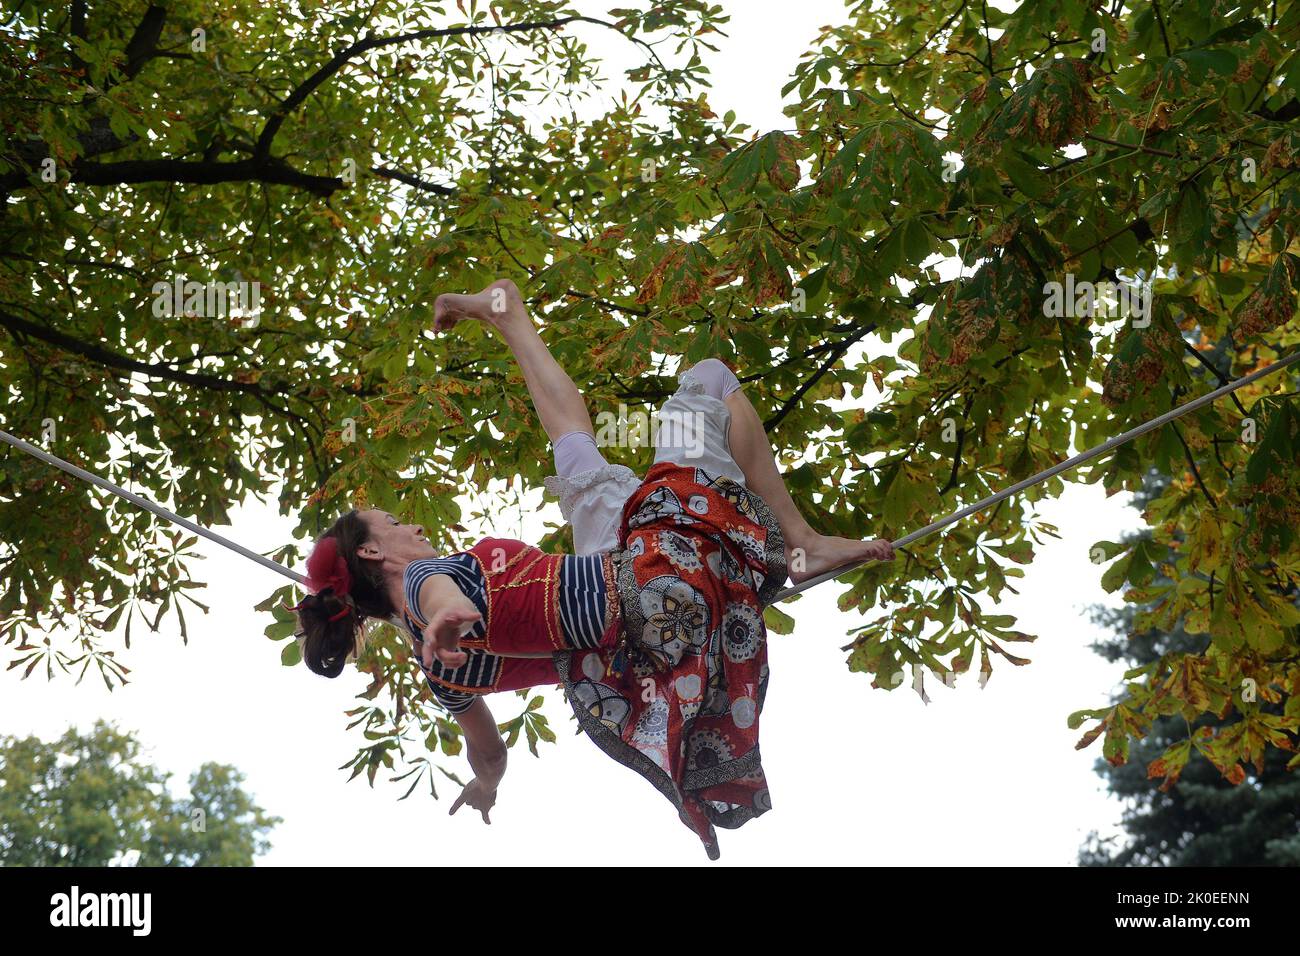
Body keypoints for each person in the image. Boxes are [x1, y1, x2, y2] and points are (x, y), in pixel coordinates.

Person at [292, 278, 893, 859]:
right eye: (394, 523)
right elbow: (443, 598)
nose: (413, 527)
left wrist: (487, 786)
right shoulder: (428, 587)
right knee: (707, 381)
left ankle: (508, 316)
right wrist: (445, 617)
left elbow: (490, 753)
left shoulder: (447, 682)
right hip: (650, 586)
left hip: (620, 635)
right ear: (372, 553)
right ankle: (802, 544)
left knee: (577, 454)